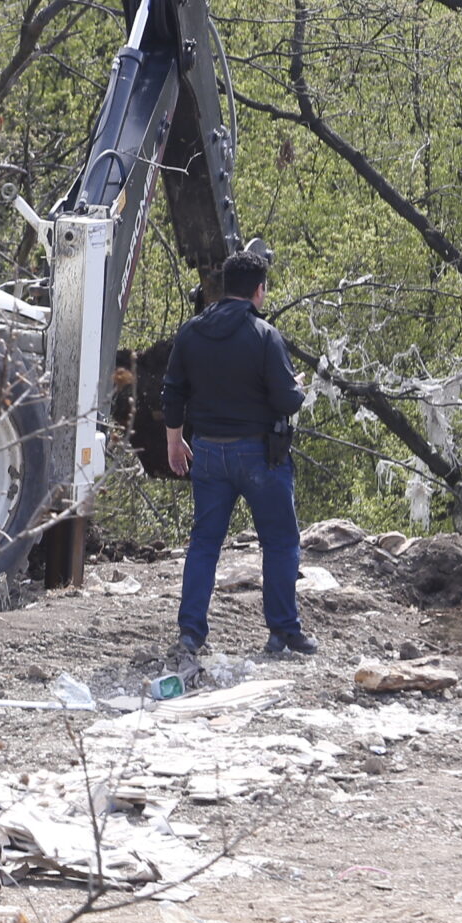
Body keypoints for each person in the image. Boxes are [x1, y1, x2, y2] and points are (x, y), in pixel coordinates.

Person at [163, 245, 315, 659]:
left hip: (208, 453)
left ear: (225, 288)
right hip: (260, 456)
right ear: (259, 291)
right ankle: (283, 631)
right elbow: (286, 401)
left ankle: (191, 634)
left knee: (204, 544)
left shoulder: (192, 332)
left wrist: (175, 441)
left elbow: (173, 391)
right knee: (280, 542)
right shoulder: (265, 337)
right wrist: (296, 386)